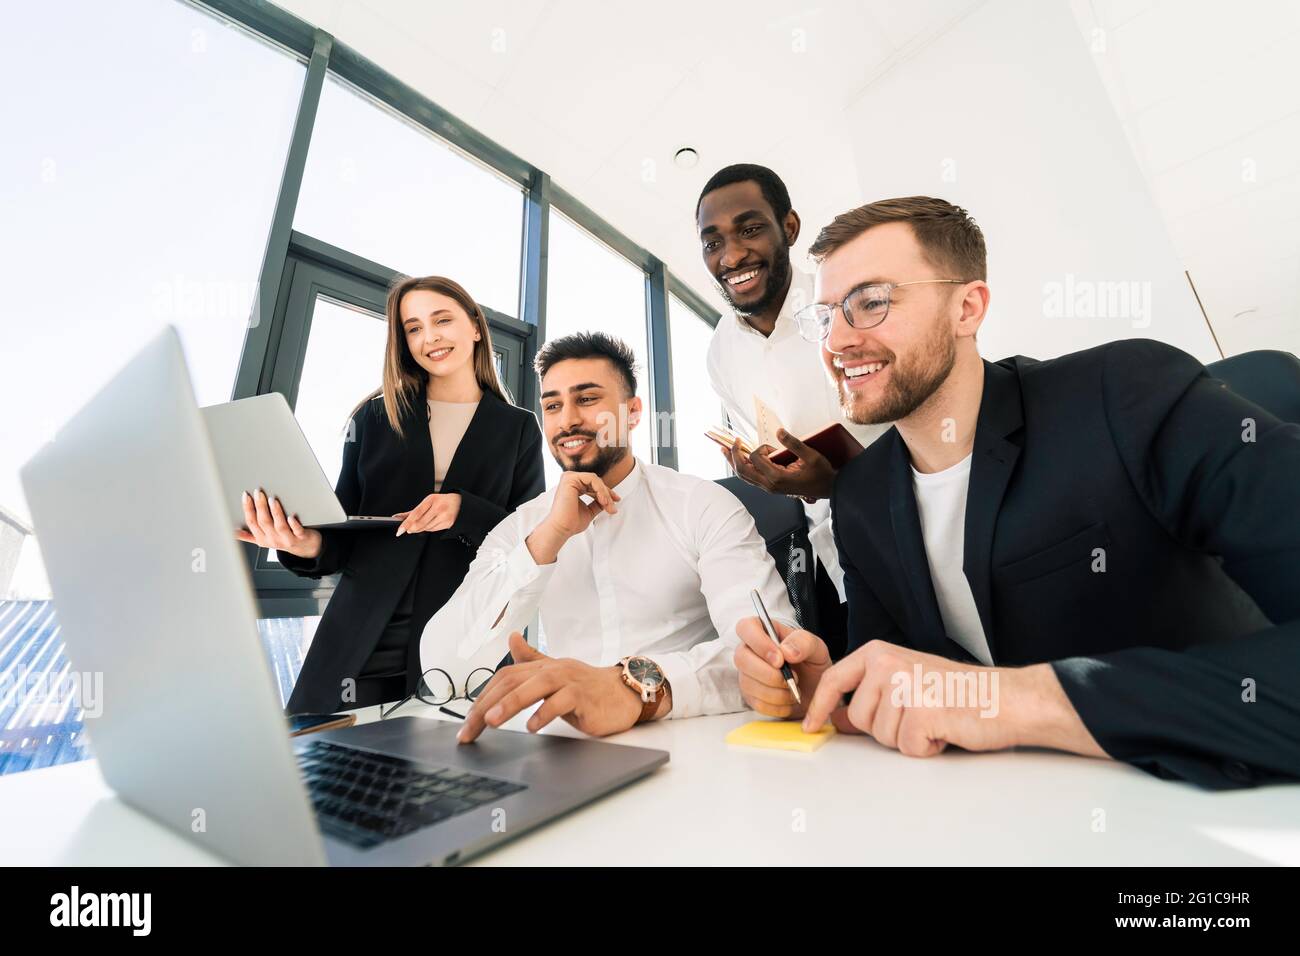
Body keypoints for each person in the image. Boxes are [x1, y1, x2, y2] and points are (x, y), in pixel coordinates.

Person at [734, 196, 1300, 789]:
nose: (838, 342)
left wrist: (1011, 701)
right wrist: (833, 688)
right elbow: (904, 684)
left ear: (967, 308)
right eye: (825, 318)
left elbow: (976, 700)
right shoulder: (859, 498)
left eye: (871, 302)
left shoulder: (1125, 395)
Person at [419, 331, 796, 743]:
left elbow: (769, 653)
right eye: (552, 405)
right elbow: (444, 671)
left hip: (691, 741)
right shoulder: (523, 528)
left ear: (632, 412)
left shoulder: (702, 504)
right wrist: (549, 539)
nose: (567, 421)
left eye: (587, 399)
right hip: (565, 748)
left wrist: (635, 687)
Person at [238, 275, 544, 714]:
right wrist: (304, 545)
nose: (429, 337)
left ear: (475, 327)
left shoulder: (518, 429)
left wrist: (463, 510)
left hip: (460, 633)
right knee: (323, 765)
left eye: (442, 320)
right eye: (413, 328)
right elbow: (342, 532)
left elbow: (528, 540)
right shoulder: (376, 416)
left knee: (447, 770)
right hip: (361, 629)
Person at [696, 163, 887, 658]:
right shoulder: (720, 353)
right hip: (832, 552)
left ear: (789, 228)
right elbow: (765, 441)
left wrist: (839, 482)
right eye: (712, 242)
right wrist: (763, 471)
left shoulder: (845, 303)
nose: (731, 255)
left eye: (750, 229)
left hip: (914, 523)